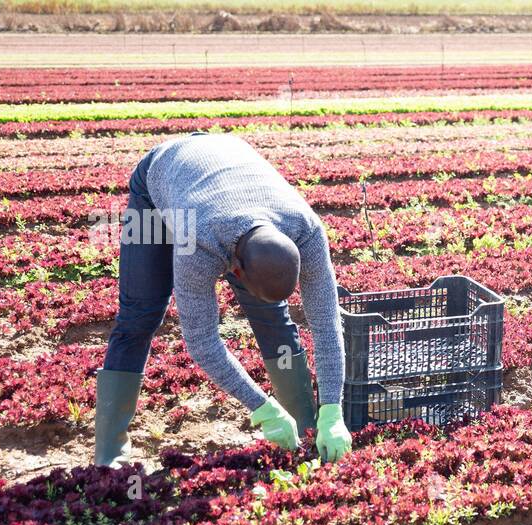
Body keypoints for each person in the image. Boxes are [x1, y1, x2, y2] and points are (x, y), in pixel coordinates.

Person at [95, 132, 352, 467]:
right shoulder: (196, 245)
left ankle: (305, 432)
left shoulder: (307, 232)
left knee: (272, 317)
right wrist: (262, 407)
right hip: (162, 178)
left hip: (230, 167)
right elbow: (201, 340)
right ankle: (108, 456)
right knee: (140, 315)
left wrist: (332, 409)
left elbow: (326, 323)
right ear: (236, 272)